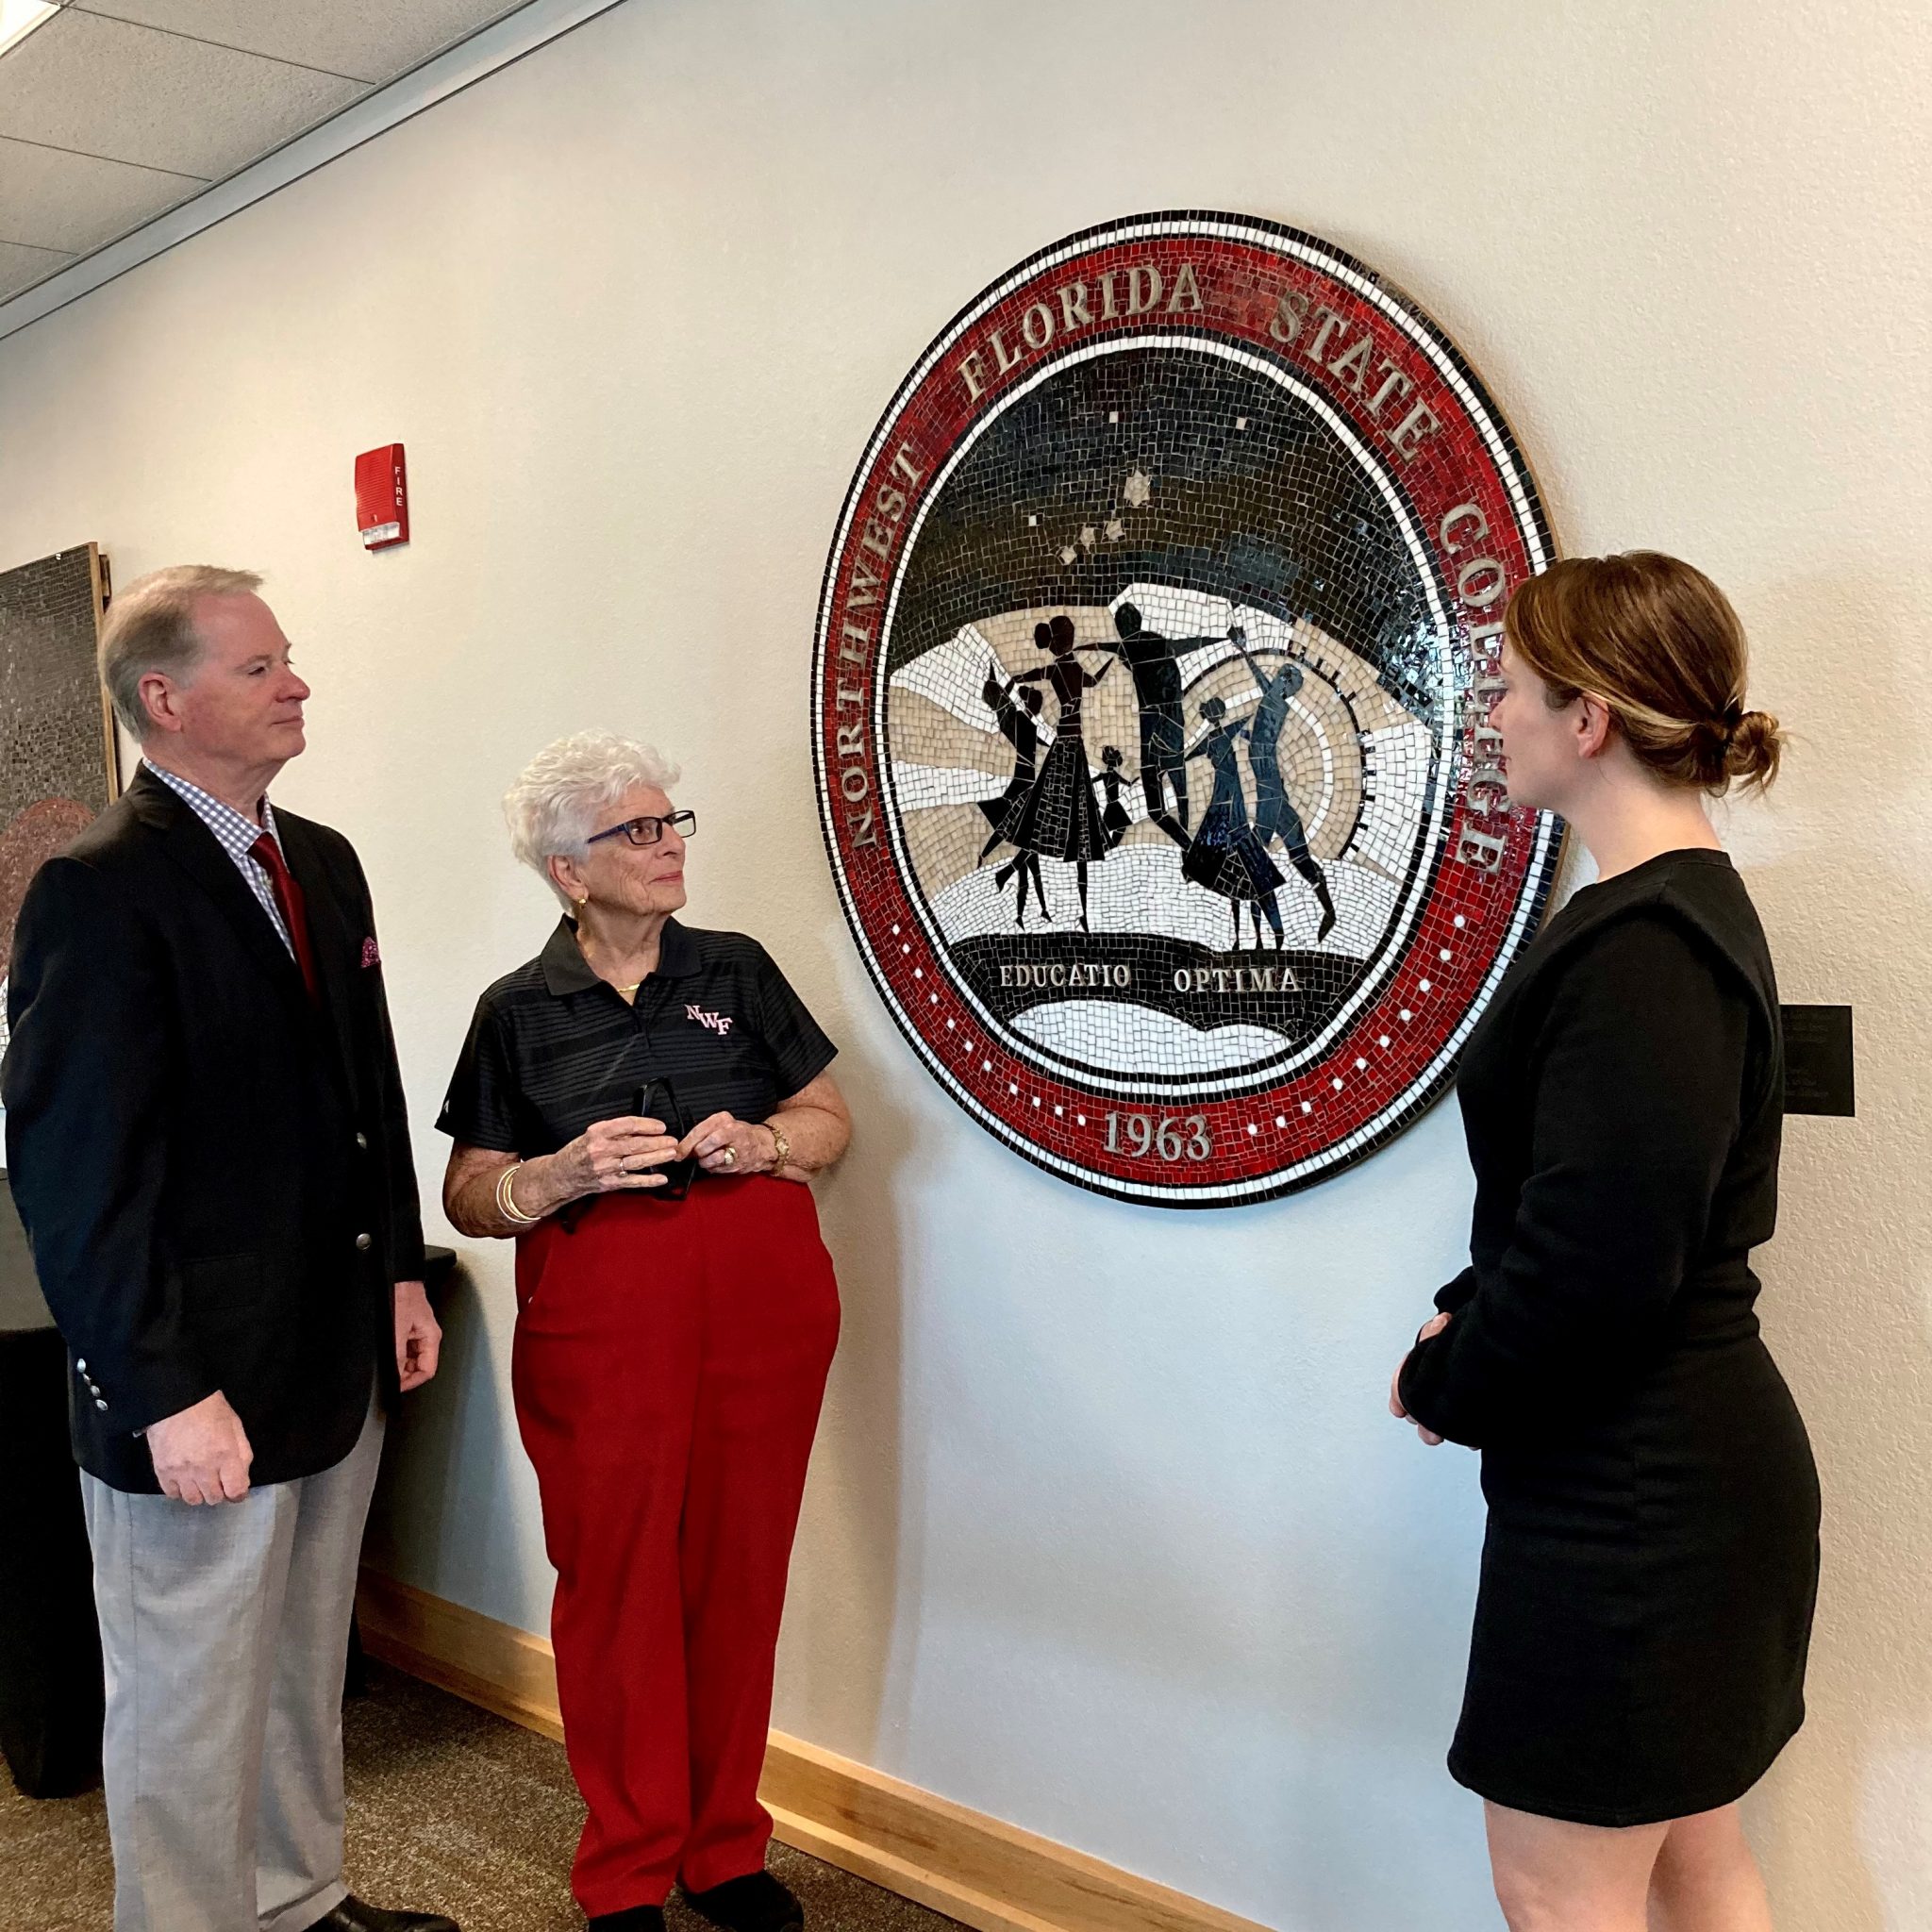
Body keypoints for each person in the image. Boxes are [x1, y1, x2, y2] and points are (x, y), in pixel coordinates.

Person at [2, 567, 455, 1932]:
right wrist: (157, 1391)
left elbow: (364, 1087)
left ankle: (296, 1900)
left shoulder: (318, 859)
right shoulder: (97, 891)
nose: (296, 683)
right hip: (195, 1385)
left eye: (287, 661)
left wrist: (399, 1273)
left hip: (333, 1353)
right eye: (261, 668)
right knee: (188, 1700)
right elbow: (77, 1178)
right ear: (165, 698)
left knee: (300, 1668)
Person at [1389, 553, 1816, 1932]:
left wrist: (1449, 1381)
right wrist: (1473, 1309)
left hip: (1636, 1505)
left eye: (1508, 688)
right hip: (1665, 1481)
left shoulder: (1649, 949)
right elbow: (1583, 1208)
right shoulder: (1670, 920)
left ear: (1591, 721)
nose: (1490, 715)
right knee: (1694, 1865)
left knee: (1561, 1891)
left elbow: (1599, 1269)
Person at [438, 732, 851, 1932]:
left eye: (674, 823)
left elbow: (827, 1117)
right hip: (601, 1316)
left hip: (763, 1303)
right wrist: (553, 1176)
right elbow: (470, 1190)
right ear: (569, 868)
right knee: (614, 1584)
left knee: (738, 1572)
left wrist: (770, 1143)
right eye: (639, 829)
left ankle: (724, 1848)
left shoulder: (738, 966)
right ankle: (624, 1863)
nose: (670, 846)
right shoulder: (514, 1010)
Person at [1000, 615, 1115, 930]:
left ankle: (1014, 872)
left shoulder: (1059, 668)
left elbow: (1034, 673)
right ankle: (1082, 912)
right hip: (1071, 746)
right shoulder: (1073, 668)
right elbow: (1093, 681)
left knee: (1045, 814)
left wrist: (1015, 680)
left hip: (1066, 744)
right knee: (1079, 824)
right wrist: (1110, 662)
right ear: (1068, 639)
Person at [1228, 625, 1335, 940]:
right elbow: (1262, 731)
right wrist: (1244, 651)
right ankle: (1328, 909)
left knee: (1254, 859)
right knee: (1299, 855)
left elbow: (1265, 743)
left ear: (1285, 686)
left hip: (1269, 793)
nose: (1273, 679)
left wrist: (1246, 739)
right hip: (1275, 789)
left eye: (1280, 677)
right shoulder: (1272, 699)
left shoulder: (1276, 704)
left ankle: (1265, 933)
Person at [1098, 601, 1229, 843]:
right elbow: (1190, 644)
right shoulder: (1159, 644)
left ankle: (1189, 847)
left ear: (1122, 628)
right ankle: (1188, 848)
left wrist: (1090, 646)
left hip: (1153, 729)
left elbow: (1111, 647)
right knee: (1181, 794)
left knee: (1156, 808)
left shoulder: (1129, 647)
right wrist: (1221, 638)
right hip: (1173, 725)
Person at [1179, 693, 1285, 949]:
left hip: (1230, 809)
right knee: (1249, 884)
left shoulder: (1216, 739)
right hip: (1231, 807)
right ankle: (1258, 938)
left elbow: (1190, 755)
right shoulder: (1224, 734)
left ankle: (1264, 938)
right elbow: (1243, 721)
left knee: (1252, 883)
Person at [976, 672, 1048, 924]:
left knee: (1022, 834)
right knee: (1022, 833)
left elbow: (1005, 714)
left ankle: (1026, 907)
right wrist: (1005, 688)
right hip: (1024, 781)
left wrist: (1008, 686)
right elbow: (1004, 715)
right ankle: (1002, 871)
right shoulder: (1021, 720)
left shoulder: (1024, 720)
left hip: (1025, 780)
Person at [1090, 744, 1132, 848]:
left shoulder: (1107, 774)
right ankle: (1108, 845)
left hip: (1113, 804)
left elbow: (1092, 780)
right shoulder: (1111, 775)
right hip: (1113, 805)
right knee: (1116, 827)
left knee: (1116, 827)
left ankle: (1109, 845)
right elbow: (1127, 783)